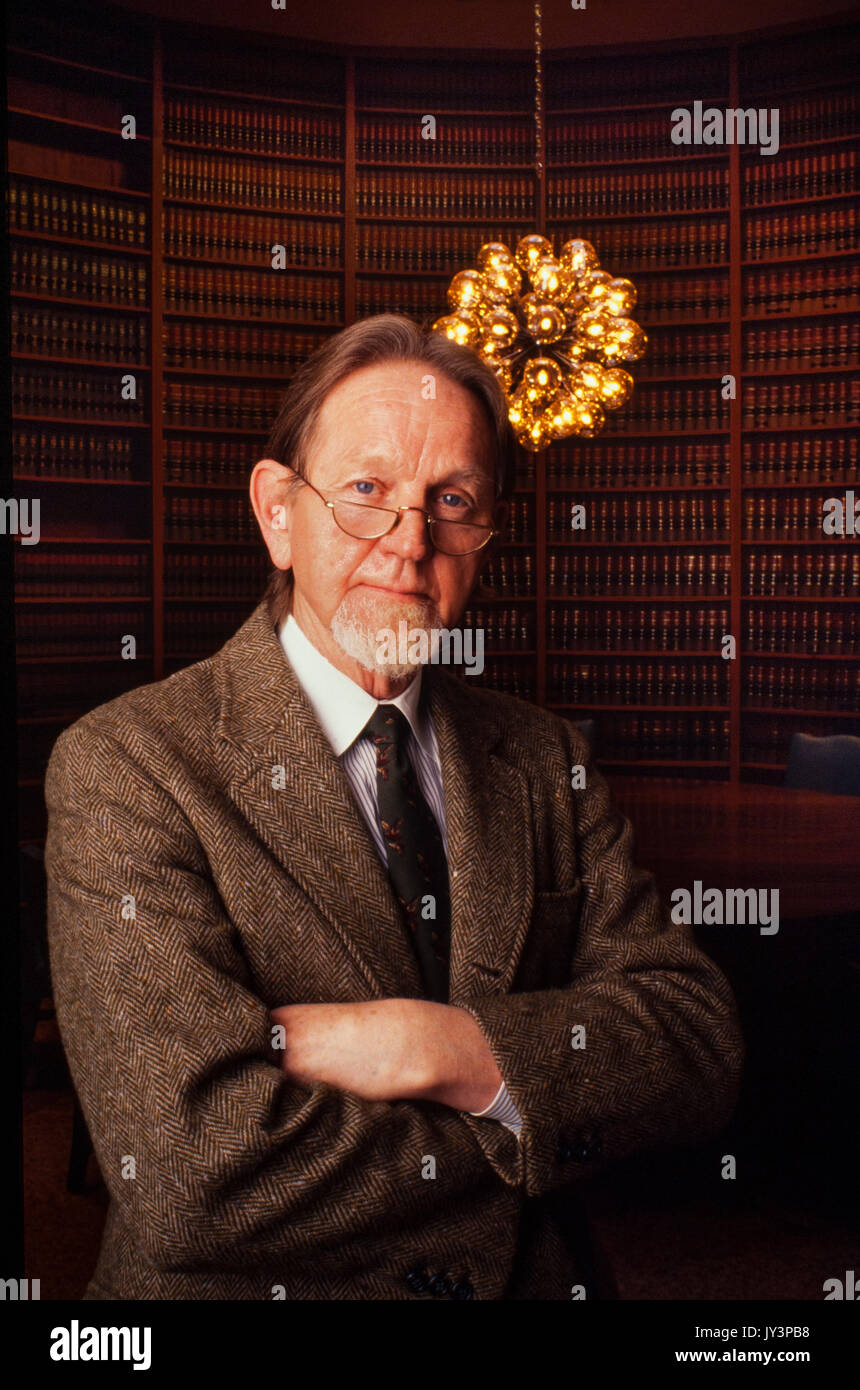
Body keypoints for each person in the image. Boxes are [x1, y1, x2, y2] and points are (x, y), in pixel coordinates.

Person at [45, 315, 744, 1300]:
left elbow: (694, 1044)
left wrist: (446, 1048)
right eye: (366, 492)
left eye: (450, 500)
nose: (409, 545)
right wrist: (533, 1113)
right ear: (279, 512)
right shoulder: (128, 765)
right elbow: (190, 1172)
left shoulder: (544, 756)